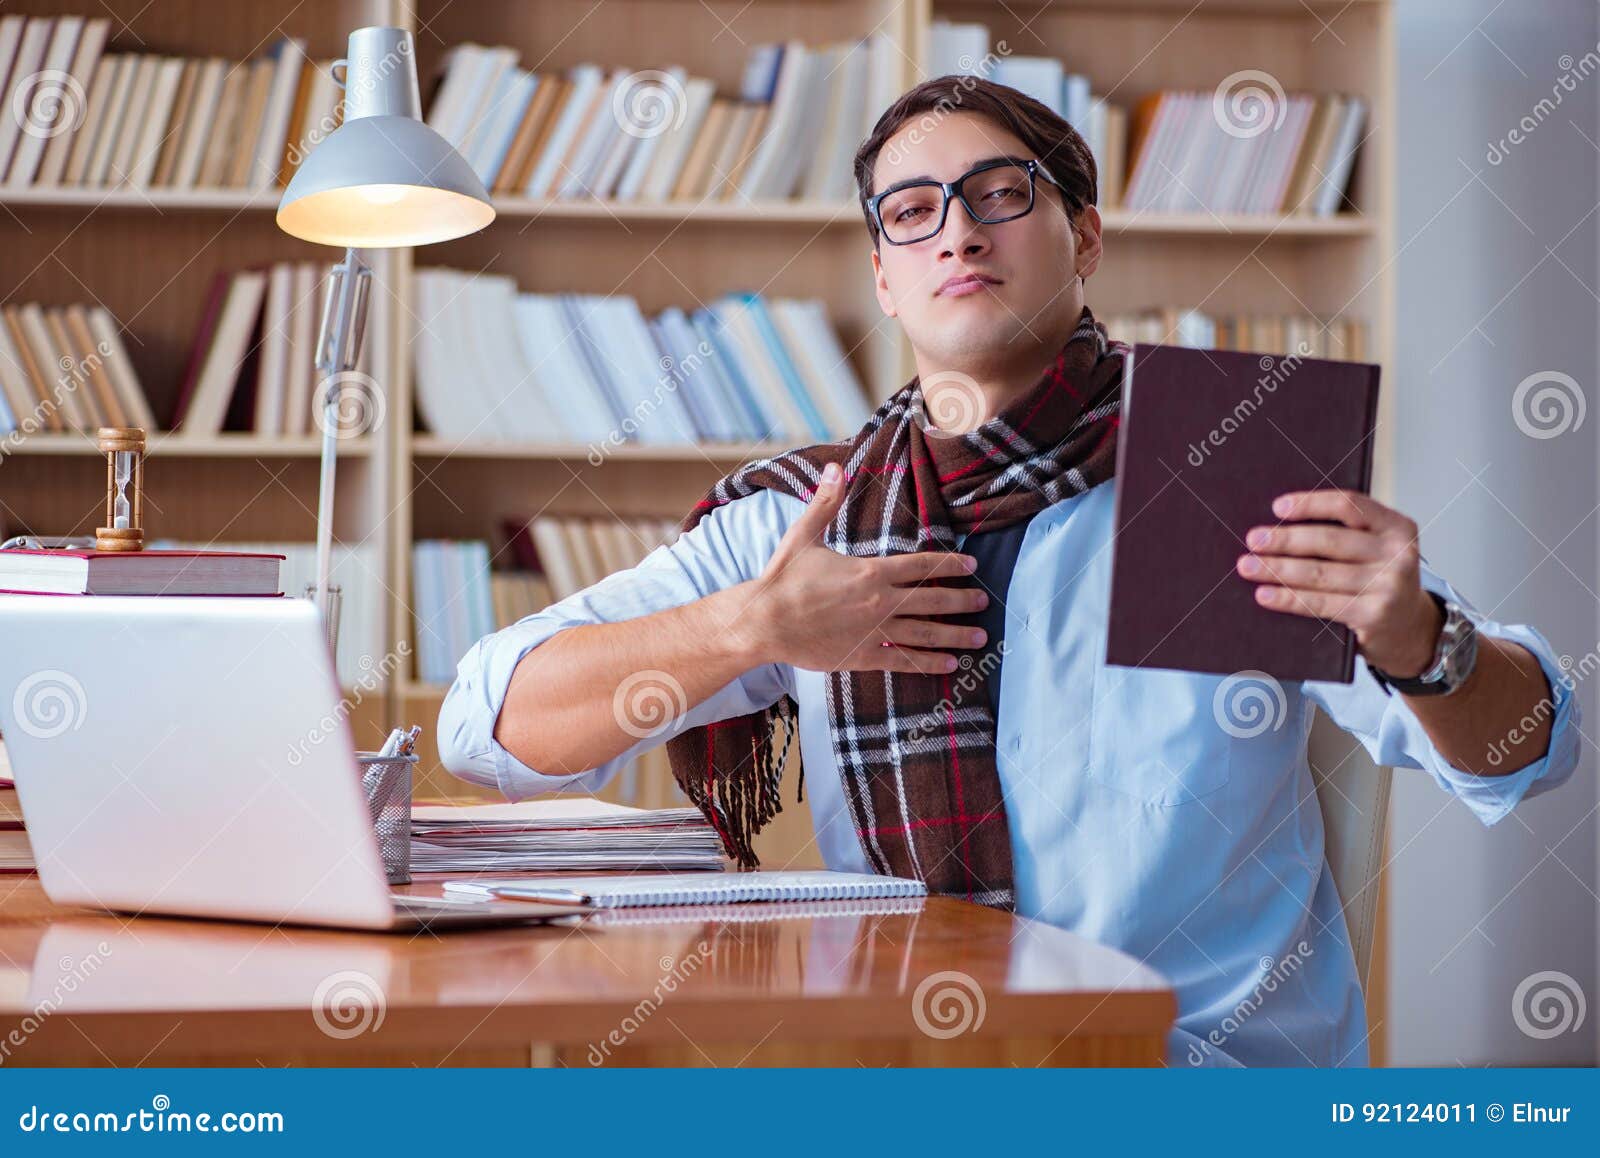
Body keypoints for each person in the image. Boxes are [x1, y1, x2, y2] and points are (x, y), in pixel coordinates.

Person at [438, 76, 1581, 1066]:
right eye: (913, 211)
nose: (959, 234)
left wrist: (1421, 643)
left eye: (1001, 194)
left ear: (1083, 238)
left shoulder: (1221, 473)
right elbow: (486, 729)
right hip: (921, 1078)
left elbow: (1522, 760)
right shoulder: (806, 521)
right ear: (883, 276)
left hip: (1194, 1082)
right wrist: (746, 630)